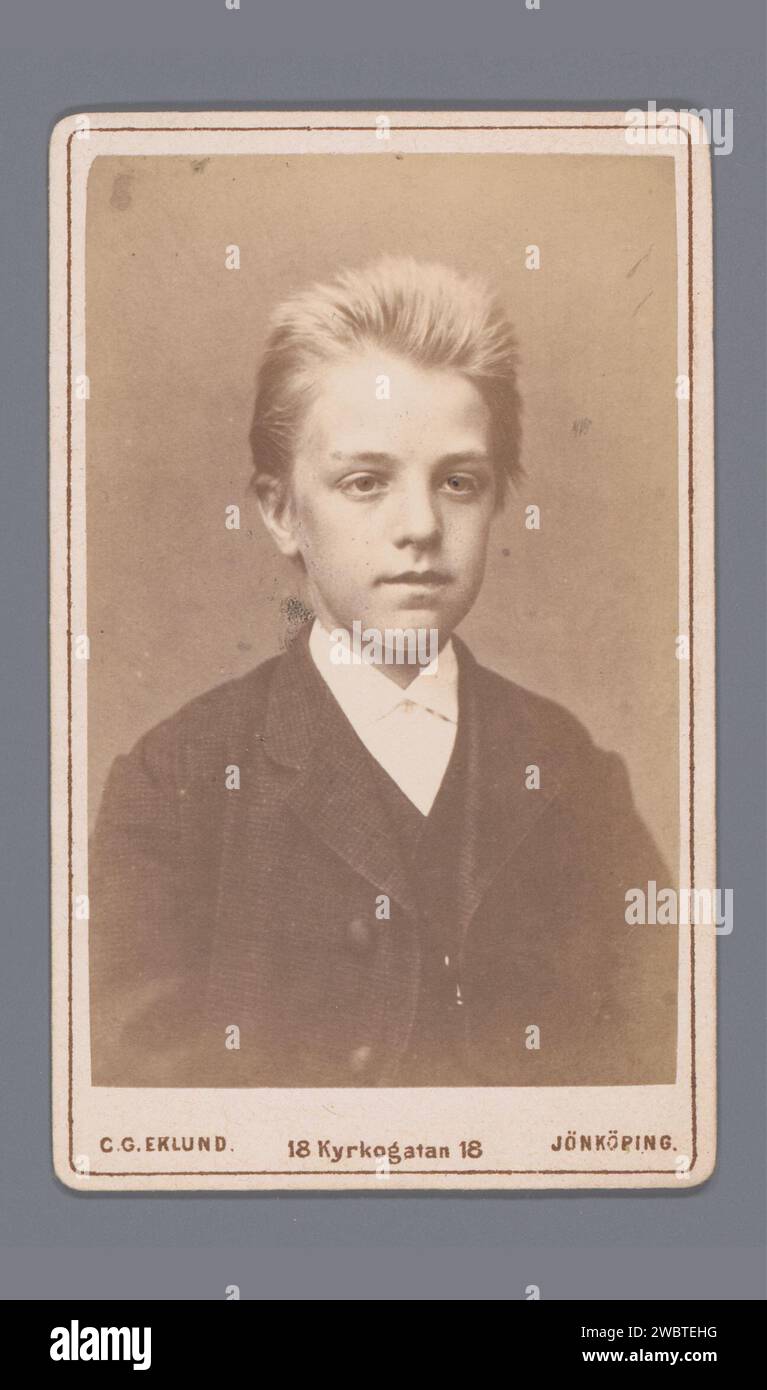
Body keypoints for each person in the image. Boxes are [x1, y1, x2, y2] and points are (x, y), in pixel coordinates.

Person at [89, 256, 678, 1088]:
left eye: (459, 482)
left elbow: (659, 1068)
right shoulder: (175, 783)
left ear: (498, 500)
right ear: (282, 510)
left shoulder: (572, 774)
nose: (420, 527)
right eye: (364, 482)